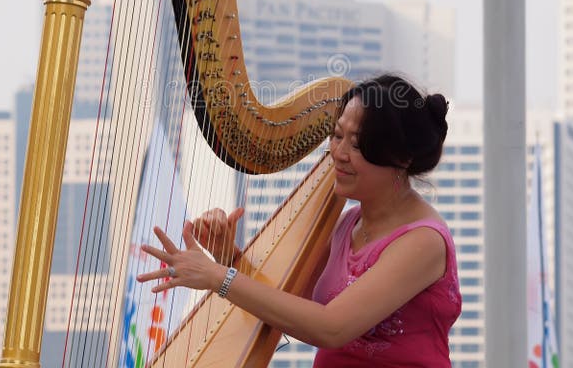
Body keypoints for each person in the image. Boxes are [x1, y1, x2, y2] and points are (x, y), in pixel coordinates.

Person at [137, 74, 461, 367]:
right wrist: (227, 256)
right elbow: (289, 307)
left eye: (357, 144)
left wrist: (217, 276)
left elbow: (331, 328)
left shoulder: (423, 242)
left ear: (402, 158)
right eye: (337, 135)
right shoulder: (348, 224)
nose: (338, 153)